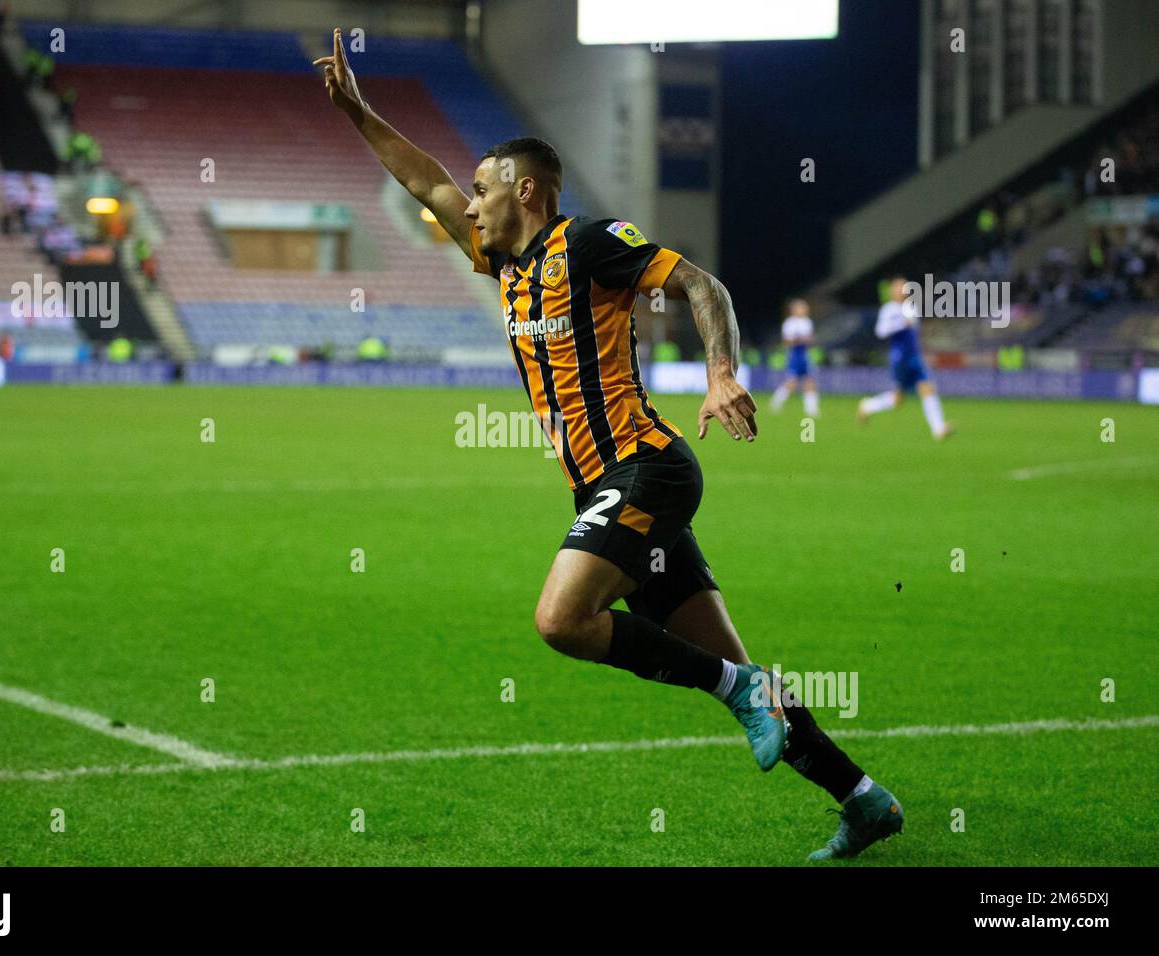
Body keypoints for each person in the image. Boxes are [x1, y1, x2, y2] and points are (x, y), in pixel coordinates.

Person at [314, 30, 904, 860]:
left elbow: (702, 282)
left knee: (561, 619)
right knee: (740, 670)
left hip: (647, 469)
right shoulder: (505, 267)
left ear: (526, 190)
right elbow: (426, 181)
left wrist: (721, 373)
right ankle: (862, 797)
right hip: (605, 488)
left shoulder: (588, 245)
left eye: (484, 191)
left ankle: (739, 691)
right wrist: (359, 112)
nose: (469, 205)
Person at [858, 277, 953, 439]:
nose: (903, 289)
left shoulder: (910, 307)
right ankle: (868, 405)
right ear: (892, 291)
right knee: (898, 399)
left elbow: (913, 331)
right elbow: (881, 331)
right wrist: (901, 323)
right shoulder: (889, 309)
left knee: (924, 389)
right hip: (900, 358)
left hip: (914, 356)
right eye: (899, 287)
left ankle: (938, 428)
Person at [769, 298, 819, 417]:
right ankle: (776, 402)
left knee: (810, 381)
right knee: (792, 381)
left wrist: (809, 341)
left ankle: (811, 409)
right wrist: (800, 340)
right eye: (801, 307)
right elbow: (787, 342)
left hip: (805, 354)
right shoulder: (790, 323)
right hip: (795, 355)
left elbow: (810, 339)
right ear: (794, 310)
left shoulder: (807, 322)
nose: (804, 309)